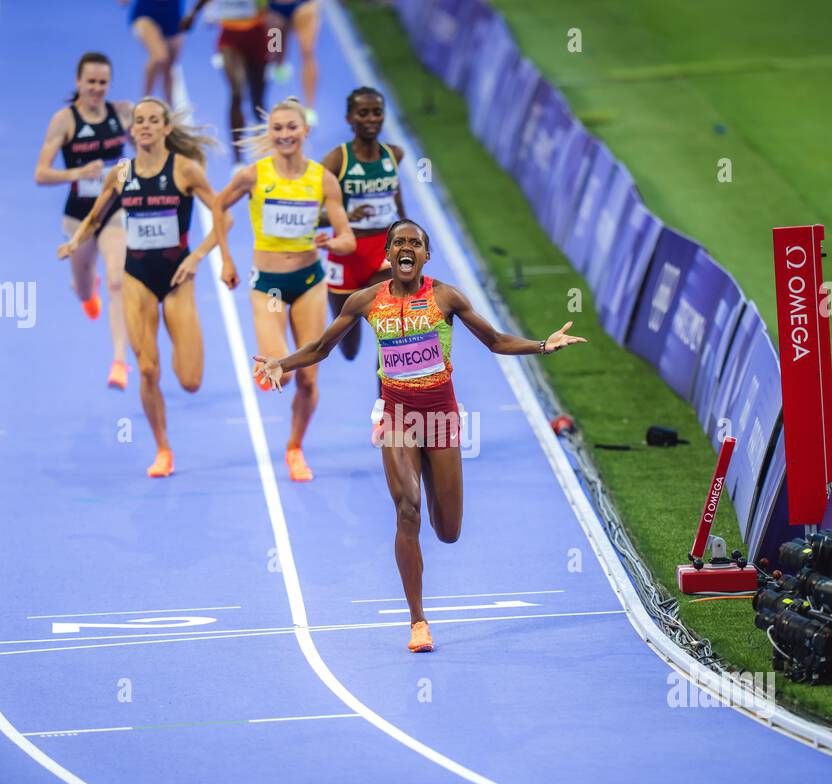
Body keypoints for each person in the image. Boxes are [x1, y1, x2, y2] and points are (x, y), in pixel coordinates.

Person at [252, 219, 587, 652]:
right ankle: (418, 621)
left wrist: (542, 345)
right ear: (387, 255)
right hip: (396, 418)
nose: (407, 248)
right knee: (407, 509)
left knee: (448, 530)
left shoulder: (445, 297)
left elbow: (496, 340)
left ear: (426, 256)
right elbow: (321, 348)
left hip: (441, 419)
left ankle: (434, 498)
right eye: (399, 243)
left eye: (416, 243)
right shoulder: (365, 301)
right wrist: (282, 363)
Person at [59, 98, 229, 478]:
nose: (147, 126)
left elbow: (224, 216)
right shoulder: (120, 175)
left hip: (176, 279)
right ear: (132, 130)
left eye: (154, 120)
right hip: (137, 275)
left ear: (167, 128)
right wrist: (75, 243)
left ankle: (174, 339)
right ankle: (163, 449)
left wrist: (198, 256)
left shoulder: (185, 170)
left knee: (189, 381)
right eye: (140, 121)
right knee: (148, 370)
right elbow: (95, 214)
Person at [212, 97, 354, 482]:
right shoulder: (253, 176)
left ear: (305, 131)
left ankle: (295, 447)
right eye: (278, 128)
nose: (285, 134)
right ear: (270, 133)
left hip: (309, 283)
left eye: (292, 127)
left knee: (307, 376)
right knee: (283, 371)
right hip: (269, 287)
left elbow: (348, 240)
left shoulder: (322, 180)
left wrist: (333, 243)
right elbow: (217, 206)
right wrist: (225, 258)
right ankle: (271, 366)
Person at [35, 52, 133, 389]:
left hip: (113, 209)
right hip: (79, 215)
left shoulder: (122, 113)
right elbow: (40, 173)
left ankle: (119, 361)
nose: (96, 88)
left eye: (102, 82)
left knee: (118, 280)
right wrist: (79, 171)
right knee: (82, 286)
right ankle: (86, 292)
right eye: (90, 82)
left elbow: (148, 143)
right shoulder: (65, 120)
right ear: (78, 81)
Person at [321, 86, 403, 371]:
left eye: (377, 112)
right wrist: (342, 215)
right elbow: (310, 213)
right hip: (346, 252)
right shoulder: (336, 161)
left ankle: (388, 406)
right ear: (349, 118)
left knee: (392, 331)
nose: (371, 119)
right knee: (348, 346)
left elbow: (395, 195)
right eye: (363, 113)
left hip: (383, 250)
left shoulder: (394, 155)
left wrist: (411, 237)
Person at [180, 0, 270, 169]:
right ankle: (238, 159)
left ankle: (263, 144)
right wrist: (193, 14)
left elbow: (276, 18)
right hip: (230, 38)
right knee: (237, 92)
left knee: (258, 99)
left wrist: (276, 49)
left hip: (259, 36)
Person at [120, 0, 186, 101]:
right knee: (160, 57)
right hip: (146, 14)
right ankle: (144, 103)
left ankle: (170, 110)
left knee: (169, 68)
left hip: (173, 18)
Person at [267, 0, 320, 125]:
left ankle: (309, 108)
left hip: (304, 5)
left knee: (308, 51)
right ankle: (279, 64)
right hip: (274, 7)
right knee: (275, 48)